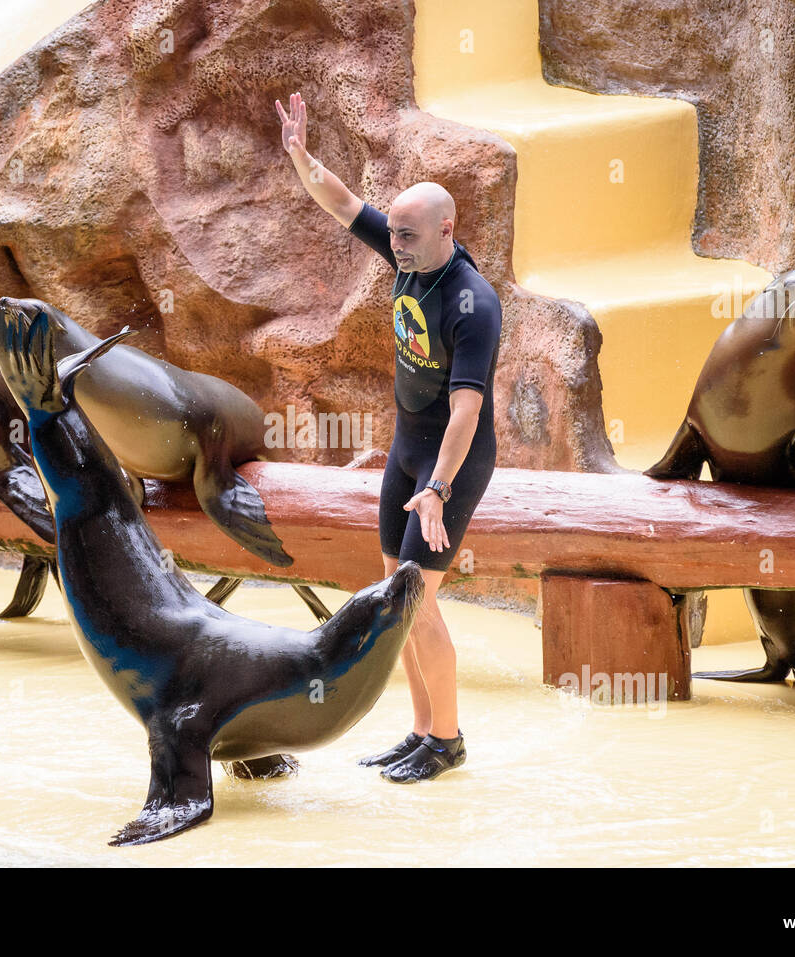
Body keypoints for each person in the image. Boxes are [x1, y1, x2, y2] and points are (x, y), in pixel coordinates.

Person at [275, 93, 502, 783]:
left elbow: (466, 413)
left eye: (406, 236)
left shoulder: (473, 303)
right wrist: (301, 157)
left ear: (446, 229)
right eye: (393, 234)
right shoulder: (407, 256)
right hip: (408, 450)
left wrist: (436, 488)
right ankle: (420, 729)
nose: (393, 246)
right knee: (391, 594)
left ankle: (450, 738)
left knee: (417, 599)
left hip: (450, 465)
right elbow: (343, 204)